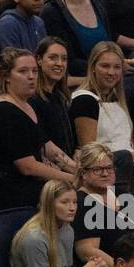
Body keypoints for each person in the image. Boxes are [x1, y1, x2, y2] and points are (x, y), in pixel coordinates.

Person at [0, 48, 77, 208]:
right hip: (12, 187)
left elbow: (50, 148)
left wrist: (80, 172)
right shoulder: (4, 110)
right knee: (76, 195)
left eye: (35, 71)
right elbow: (28, 167)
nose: (31, 76)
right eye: (23, 71)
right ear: (7, 76)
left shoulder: (27, 104)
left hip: (30, 181)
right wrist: (74, 180)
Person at [72, 40, 134, 185]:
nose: (111, 72)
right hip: (107, 173)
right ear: (93, 68)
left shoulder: (118, 99)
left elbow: (127, 143)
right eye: (105, 66)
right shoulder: (84, 100)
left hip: (129, 164)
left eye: (117, 67)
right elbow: (90, 153)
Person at [10, 178, 111, 267]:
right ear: (49, 204)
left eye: (75, 202)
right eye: (65, 202)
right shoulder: (34, 239)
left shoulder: (67, 228)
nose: (72, 208)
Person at [31, 36, 78, 168]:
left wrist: (79, 150)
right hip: (54, 171)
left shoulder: (61, 97)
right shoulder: (32, 99)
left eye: (64, 59)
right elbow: (47, 148)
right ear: (39, 60)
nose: (60, 63)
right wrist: (80, 174)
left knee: (109, 179)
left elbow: (73, 139)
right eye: (53, 58)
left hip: (70, 164)